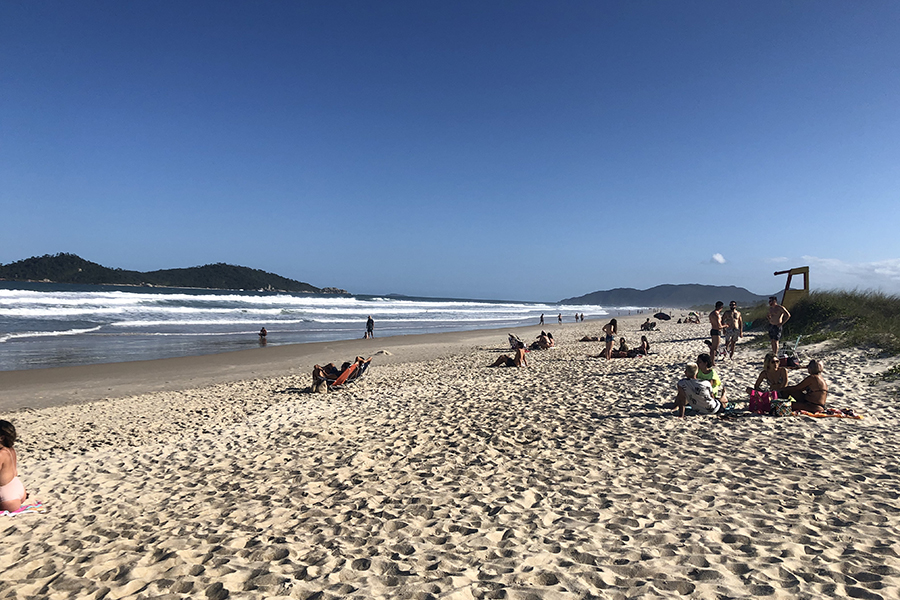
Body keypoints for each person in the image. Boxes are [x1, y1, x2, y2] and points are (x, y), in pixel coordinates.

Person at [0, 420, 27, 513]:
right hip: (19, 490)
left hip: (7, 498)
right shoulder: (10, 450)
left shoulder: (1, 454)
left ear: (1, 438)